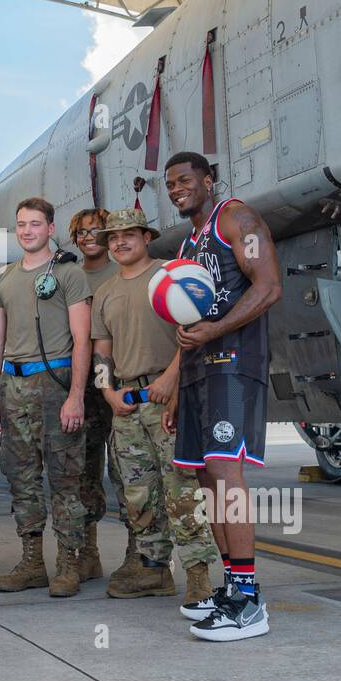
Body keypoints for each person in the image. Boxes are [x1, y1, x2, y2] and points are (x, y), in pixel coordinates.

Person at [164, 151, 281, 641]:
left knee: (226, 469)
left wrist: (215, 331)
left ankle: (248, 599)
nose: (176, 189)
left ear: (209, 179)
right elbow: (192, 322)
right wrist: (174, 383)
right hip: (197, 370)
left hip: (233, 362)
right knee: (205, 476)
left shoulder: (235, 216)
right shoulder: (190, 242)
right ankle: (232, 584)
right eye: (170, 184)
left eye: (185, 180)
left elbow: (269, 286)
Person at [90, 207, 219, 602]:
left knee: (182, 489)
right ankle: (153, 569)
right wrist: (107, 391)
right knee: (138, 493)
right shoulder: (106, 292)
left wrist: (171, 380)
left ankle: (198, 574)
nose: (121, 242)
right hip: (127, 403)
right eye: (113, 237)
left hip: (170, 397)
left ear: (147, 237)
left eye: (129, 234)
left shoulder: (174, 275)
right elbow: (101, 352)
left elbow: (194, 331)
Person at [0, 197, 90, 597]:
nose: (27, 231)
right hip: (14, 387)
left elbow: (82, 339)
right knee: (21, 477)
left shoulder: (69, 273)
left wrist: (76, 396)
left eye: (35, 224)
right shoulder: (3, 279)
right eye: (21, 224)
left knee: (64, 478)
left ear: (50, 228)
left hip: (55, 382)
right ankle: (32, 561)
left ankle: (68, 562)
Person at [68, 206, 130, 582]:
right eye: (81, 232)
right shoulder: (69, 276)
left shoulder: (121, 270)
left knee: (127, 471)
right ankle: (87, 552)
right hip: (83, 388)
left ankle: (140, 553)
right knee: (83, 473)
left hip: (120, 382)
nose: (88, 237)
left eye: (96, 230)